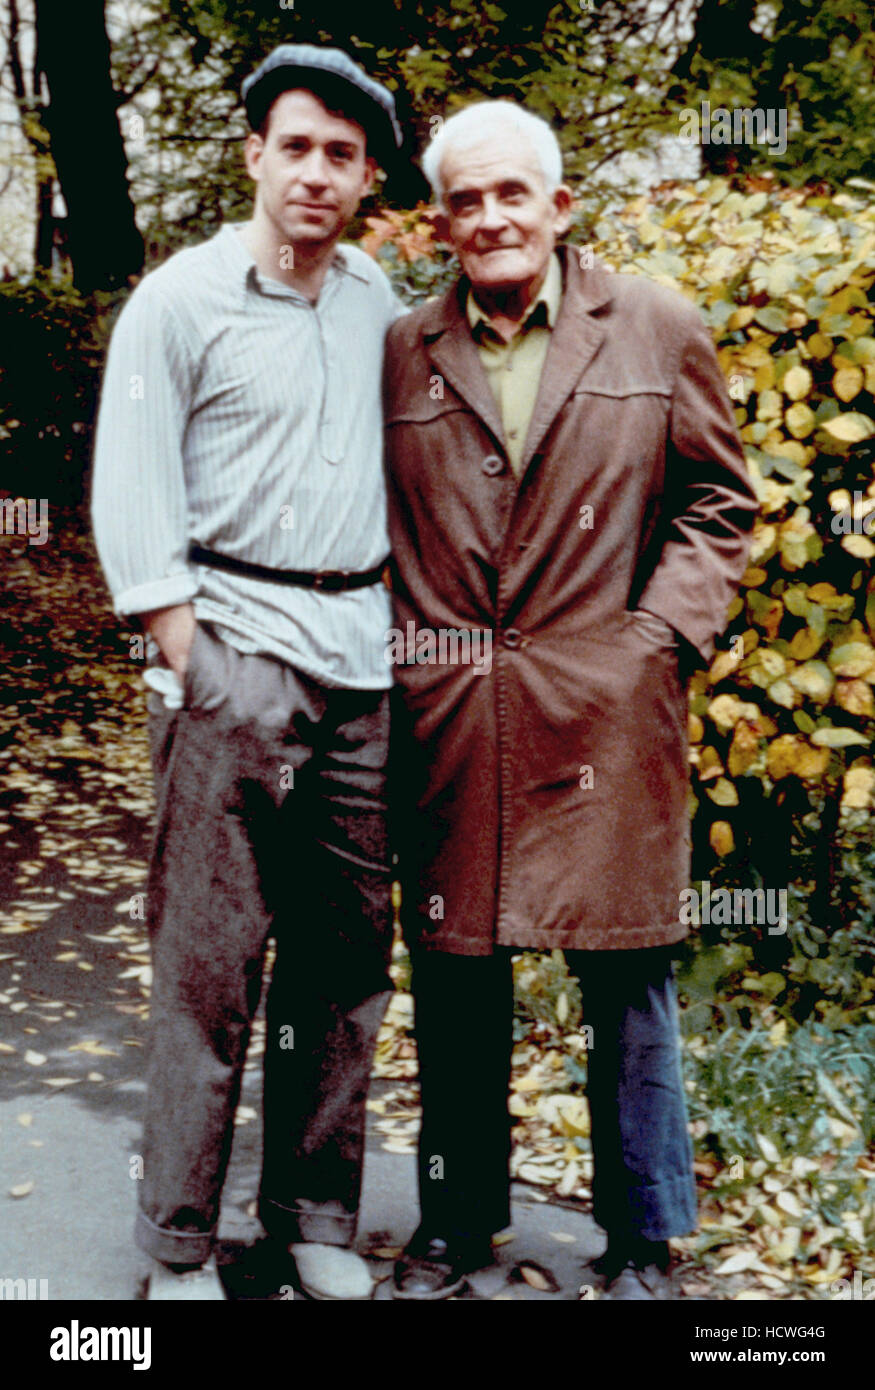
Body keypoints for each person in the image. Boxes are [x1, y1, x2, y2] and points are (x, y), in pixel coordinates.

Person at [384, 100, 759, 1301]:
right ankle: (454, 1224)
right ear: (437, 221)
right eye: (464, 199)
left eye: (512, 194)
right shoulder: (398, 347)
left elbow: (717, 503)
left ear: (557, 205)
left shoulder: (651, 325)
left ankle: (644, 1241)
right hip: (450, 711)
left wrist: (658, 641)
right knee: (451, 971)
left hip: (607, 706)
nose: (488, 217)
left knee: (625, 973)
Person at [91, 43, 404, 1301]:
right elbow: (129, 498)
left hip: (362, 672)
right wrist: (198, 667)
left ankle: (315, 1215)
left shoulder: (377, 297)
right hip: (228, 663)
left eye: (341, 154)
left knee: (341, 966)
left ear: (365, 175)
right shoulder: (179, 302)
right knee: (209, 969)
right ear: (253, 157)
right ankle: (178, 1241)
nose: (315, 173)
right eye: (296, 146)